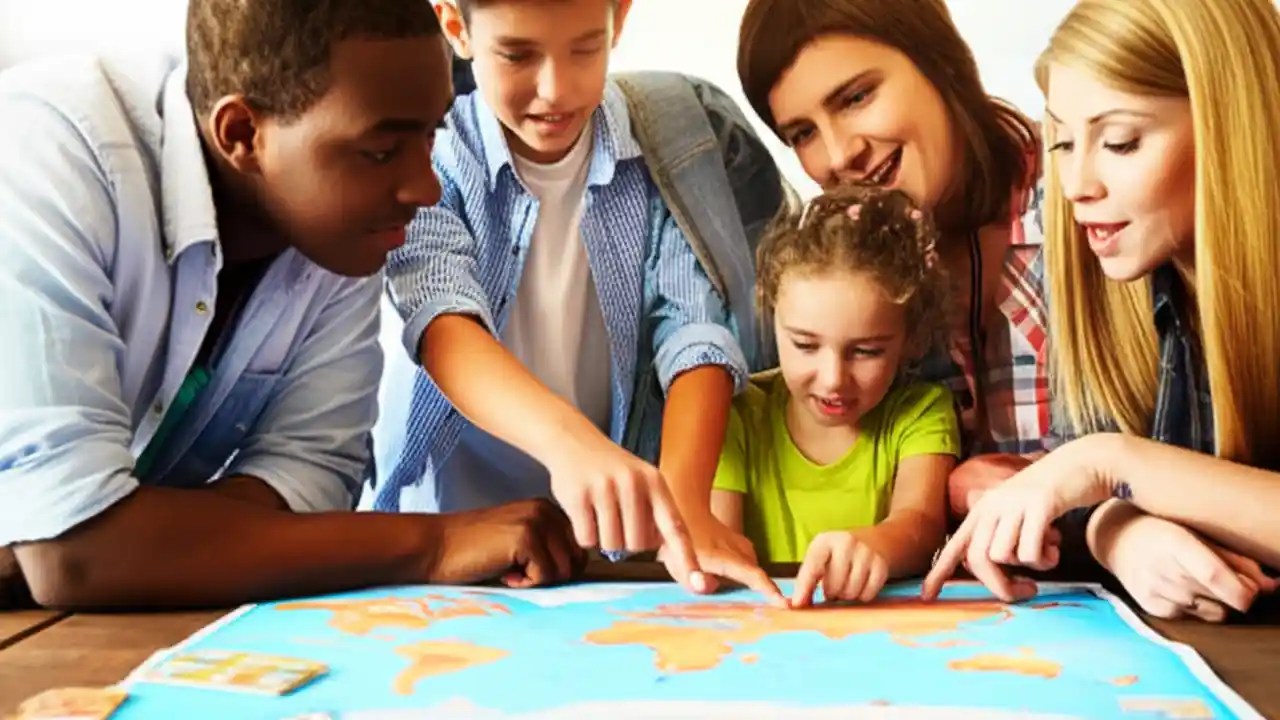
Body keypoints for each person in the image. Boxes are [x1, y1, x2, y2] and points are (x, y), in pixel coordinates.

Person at [0, 0, 583, 610]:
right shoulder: (48, 159)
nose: (426, 187)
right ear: (242, 135)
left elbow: (313, 477)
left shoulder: (336, 231)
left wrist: (135, 537)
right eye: (381, 152)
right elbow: (76, 558)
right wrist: (434, 545)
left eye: (430, 134)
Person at [368, 0, 786, 603]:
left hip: (605, 556)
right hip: (455, 543)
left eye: (586, 49)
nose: (554, 89)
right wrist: (574, 448)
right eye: (517, 54)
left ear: (620, 15)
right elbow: (442, 322)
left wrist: (686, 502)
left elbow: (694, 334)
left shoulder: (663, 148)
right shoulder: (432, 158)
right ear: (456, 27)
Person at [923, 0, 1280, 622]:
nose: (1075, 183)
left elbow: (1103, 465)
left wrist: (1112, 462)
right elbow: (1092, 492)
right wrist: (1119, 533)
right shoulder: (1130, 286)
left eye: (1120, 141)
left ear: (1231, 126)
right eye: (1061, 141)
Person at [682, 0, 1054, 580]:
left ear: (941, 60)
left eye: (856, 97)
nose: (838, 156)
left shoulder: (1088, 204)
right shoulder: (841, 275)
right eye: (802, 133)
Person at [711, 185, 959, 608]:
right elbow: (720, 545)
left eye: (866, 351)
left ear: (910, 339)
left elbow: (920, 523)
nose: (832, 380)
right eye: (805, 346)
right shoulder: (735, 415)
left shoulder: (921, 413)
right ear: (773, 318)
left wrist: (873, 546)